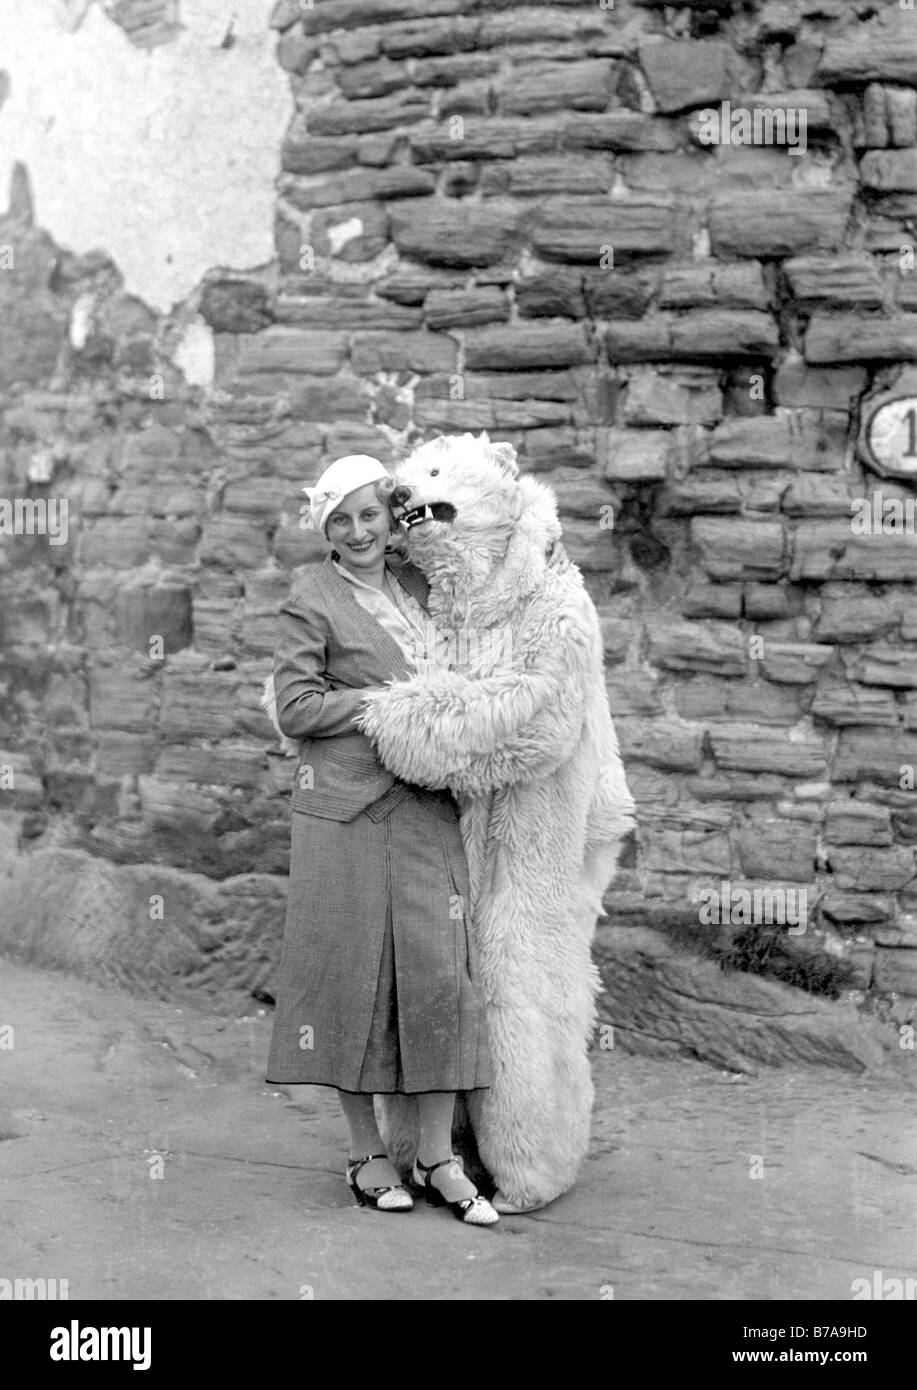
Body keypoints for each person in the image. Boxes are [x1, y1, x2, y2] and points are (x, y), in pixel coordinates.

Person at [265, 454, 497, 1226]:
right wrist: (394, 703)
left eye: (370, 514)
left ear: (388, 515)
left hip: (428, 803)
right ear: (324, 529)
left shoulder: (421, 585)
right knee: (350, 978)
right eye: (341, 520)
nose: (358, 531)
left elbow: (478, 562)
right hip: (346, 811)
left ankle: (436, 1156)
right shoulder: (312, 599)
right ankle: (366, 1153)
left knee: (440, 977)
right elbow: (297, 707)